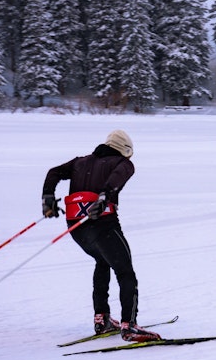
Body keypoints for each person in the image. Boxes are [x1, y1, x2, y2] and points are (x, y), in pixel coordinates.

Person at [42, 130, 161, 342]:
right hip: (104, 226)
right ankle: (129, 325)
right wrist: (105, 196)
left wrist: (48, 198)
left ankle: (102, 319)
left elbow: (53, 172)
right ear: (126, 150)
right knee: (125, 272)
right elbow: (118, 176)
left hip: (76, 228)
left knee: (102, 262)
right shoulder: (123, 163)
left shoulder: (81, 162)